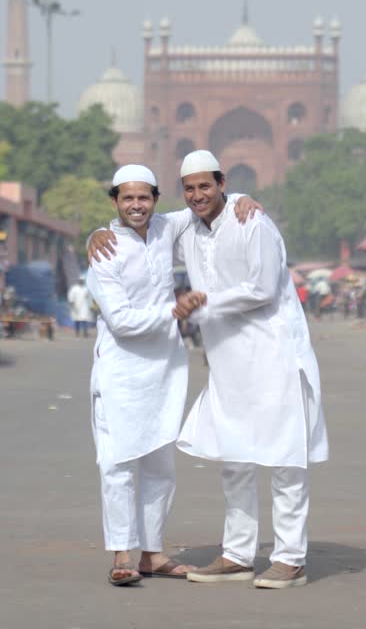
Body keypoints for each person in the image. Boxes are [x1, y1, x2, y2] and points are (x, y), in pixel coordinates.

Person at [84, 164, 263, 587]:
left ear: (155, 200)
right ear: (114, 202)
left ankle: (152, 553)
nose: (136, 205)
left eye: (143, 197)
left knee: (161, 464)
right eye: (127, 198)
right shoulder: (105, 250)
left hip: (164, 367)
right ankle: (121, 554)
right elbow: (123, 321)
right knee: (118, 462)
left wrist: (242, 200)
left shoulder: (167, 228)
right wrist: (172, 309)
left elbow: (207, 201)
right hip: (121, 368)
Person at [171, 150, 328, 590]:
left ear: (223, 184)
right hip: (227, 360)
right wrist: (100, 234)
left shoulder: (252, 223)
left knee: (284, 458)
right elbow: (139, 218)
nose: (198, 195)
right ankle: (238, 554)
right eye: (190, 188)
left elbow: (261, 288)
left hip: (273, 353)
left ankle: (291, 558)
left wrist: (203, 304)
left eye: (207, 186)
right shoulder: (186, 228)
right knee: (235, 458)